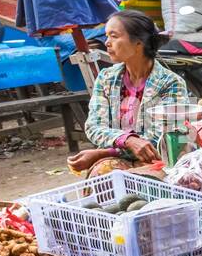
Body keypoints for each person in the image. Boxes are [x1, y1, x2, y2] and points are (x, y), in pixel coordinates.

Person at [69, 11, 189, 178]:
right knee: (103, 173)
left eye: (114, 36)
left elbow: (159, 141)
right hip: (117, 157)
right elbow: (94, 126)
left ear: (138, 42)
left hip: (159, 161)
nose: (107, 43)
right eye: (107, 36)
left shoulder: (171, 83)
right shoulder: (106, 78)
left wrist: (102, 153)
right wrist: (127, 140)